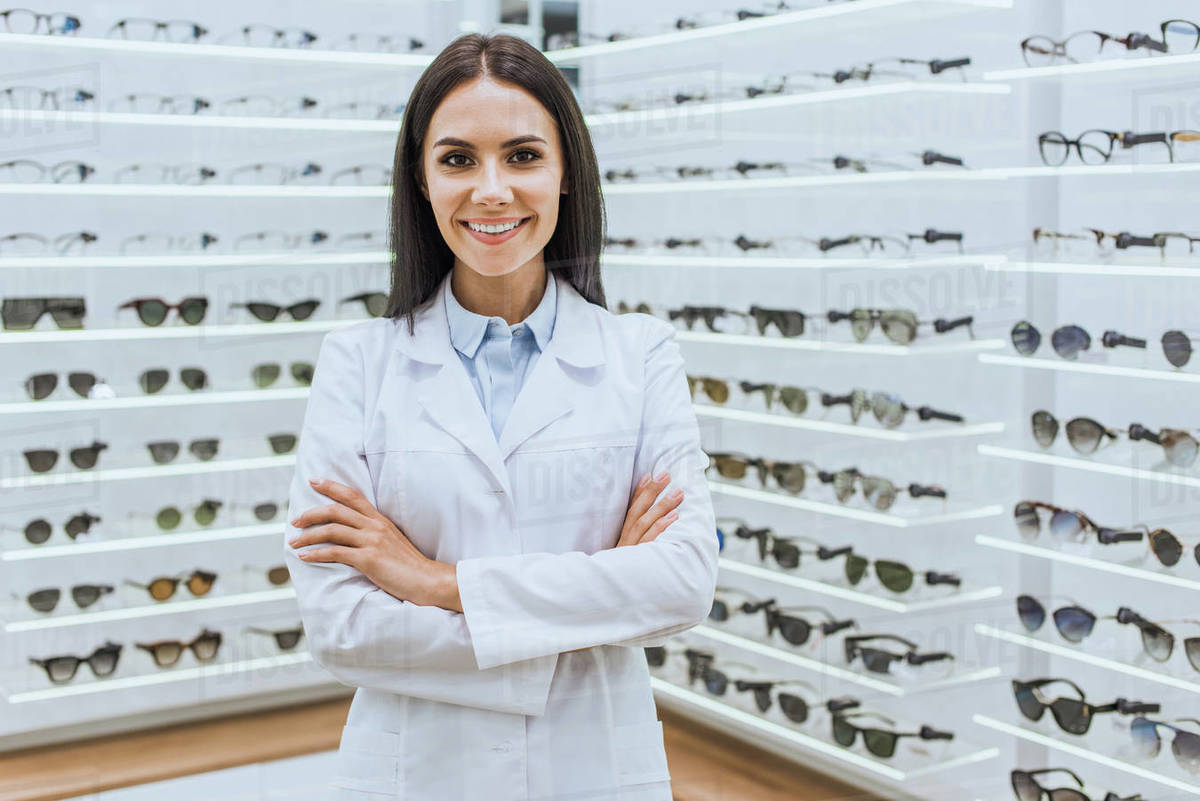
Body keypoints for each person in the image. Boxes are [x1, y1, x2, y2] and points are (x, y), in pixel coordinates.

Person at [284, 32, 718, 801]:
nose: (491, 190)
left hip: (592, 767)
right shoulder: (357, 363)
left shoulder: (640, 354)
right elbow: (342, 625)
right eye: (457, 159)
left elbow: (681, 581)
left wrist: (433, 580)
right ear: (421, 179)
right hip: (414, 772)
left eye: (522, 156)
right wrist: (594, 601)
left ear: (564, 174)